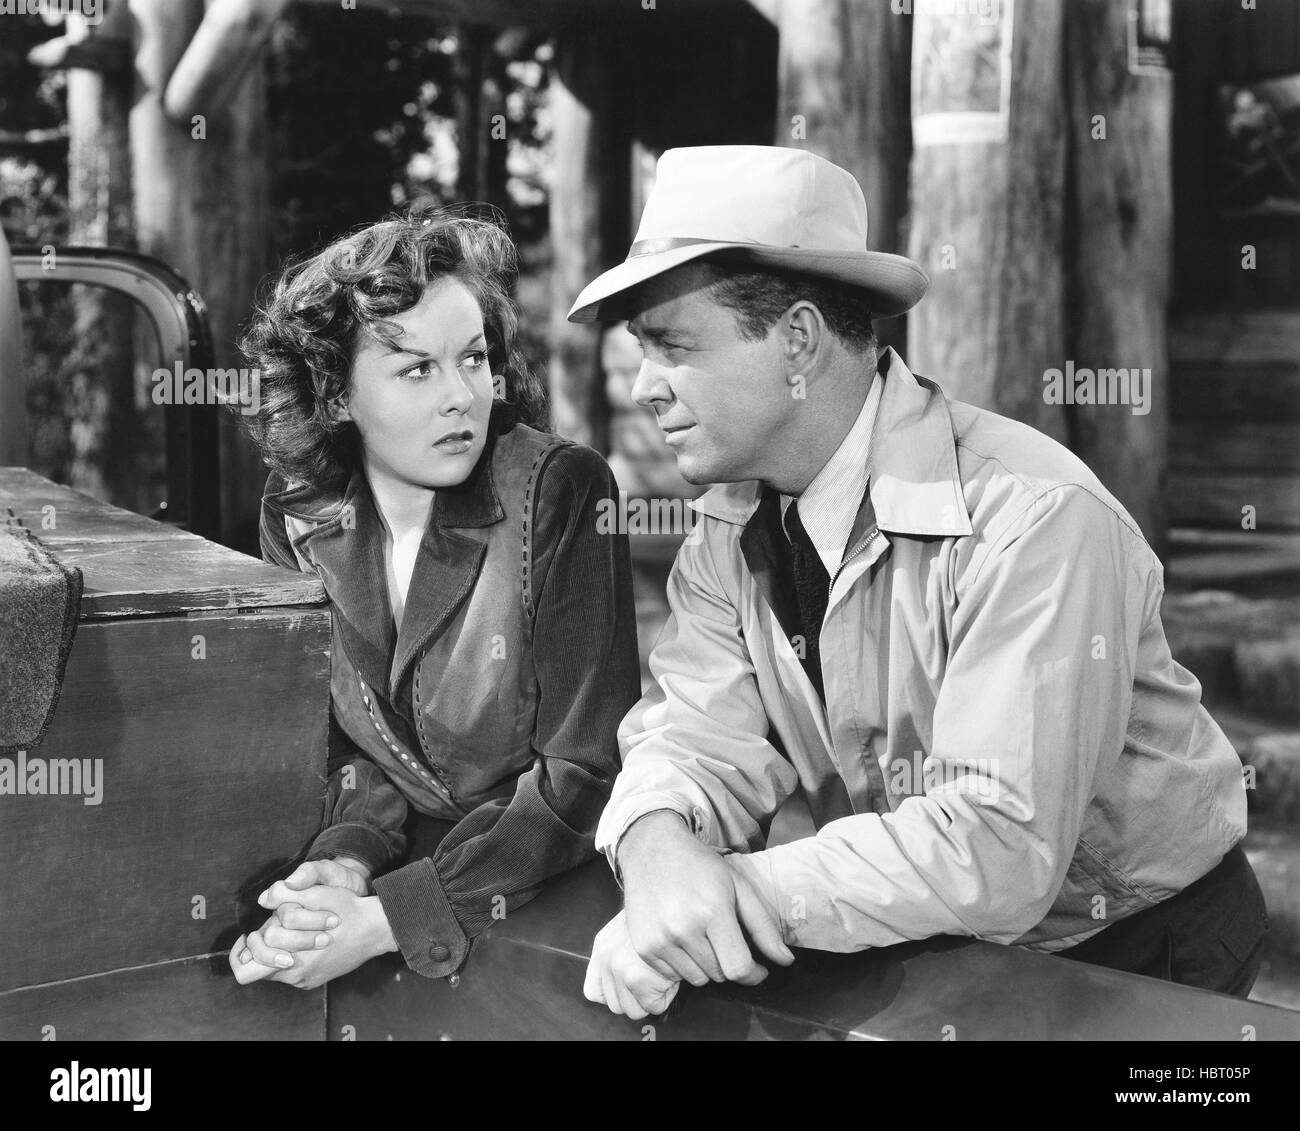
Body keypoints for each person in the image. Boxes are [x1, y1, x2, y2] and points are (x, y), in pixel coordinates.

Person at [573, 145, 1266, 1020]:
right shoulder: (727, 524)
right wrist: (656, 847)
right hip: (941, 930)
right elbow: (696, 734)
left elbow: (998, 842)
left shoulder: (1032, 516)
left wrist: (731, 894)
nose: (643, 387)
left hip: (1138, 943)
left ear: (797, 339)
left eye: (672, 346)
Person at [227, 209, 641, 990]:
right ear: (336, 396)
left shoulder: (560, 489)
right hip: (398, 872)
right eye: (416, 369)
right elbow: (347, 738)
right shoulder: (300, 509)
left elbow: (586, 772)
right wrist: (344, 861)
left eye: (474, 359)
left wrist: (387, 918)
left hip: (553, 889)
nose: (463, 397)